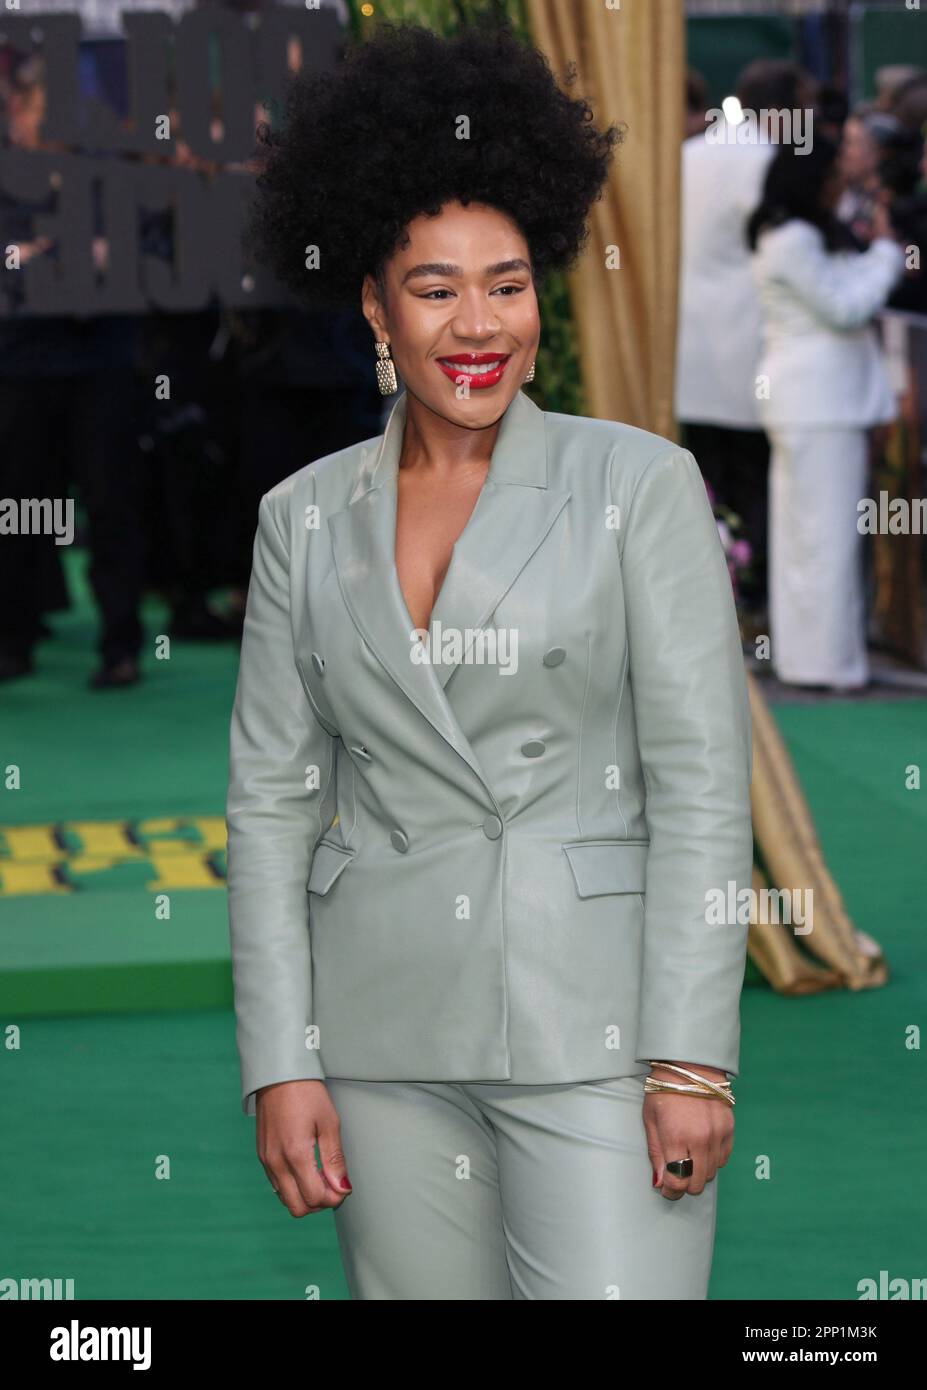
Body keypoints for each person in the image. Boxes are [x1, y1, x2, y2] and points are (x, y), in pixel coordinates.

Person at [227, 22, 753, 1301]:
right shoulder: (300, 515)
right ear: (372, 303)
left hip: (595, 1031)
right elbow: (273, 804)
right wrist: (282, 1059)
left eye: (507, 283)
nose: (479, 325)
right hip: (378, 1029)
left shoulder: (641, 483)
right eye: (436, 286)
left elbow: (701, 785)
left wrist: (690, 1060)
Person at [747, 138, 905, 691]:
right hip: (818, 405)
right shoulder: (792, 239)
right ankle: (828, 663)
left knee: (807, 538)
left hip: (811, 403)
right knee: (826, 540)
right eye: (834, 175)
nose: (842, 184)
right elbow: (846, 307)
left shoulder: (796, 234)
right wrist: (888, 252)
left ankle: (808, 659)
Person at [675, 60, 814, 620]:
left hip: (691, 347)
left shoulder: (690, 155)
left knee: (705, 477)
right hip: (750, 347)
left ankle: (713, 596)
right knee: (754, 477)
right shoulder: (766, 162)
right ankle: (753, 595)